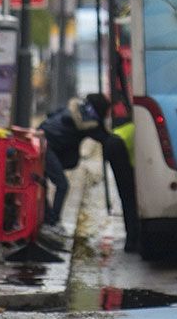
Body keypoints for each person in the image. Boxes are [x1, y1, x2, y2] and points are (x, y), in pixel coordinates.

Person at [39, 93, 139, 251]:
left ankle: (48, 219)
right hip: (45, 147)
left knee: (43, 183)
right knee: (62, 185)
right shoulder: (88, 121)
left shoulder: (79, 109)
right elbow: (104, 138)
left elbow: (51, 115)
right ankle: (53, 223)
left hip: (42, 141)